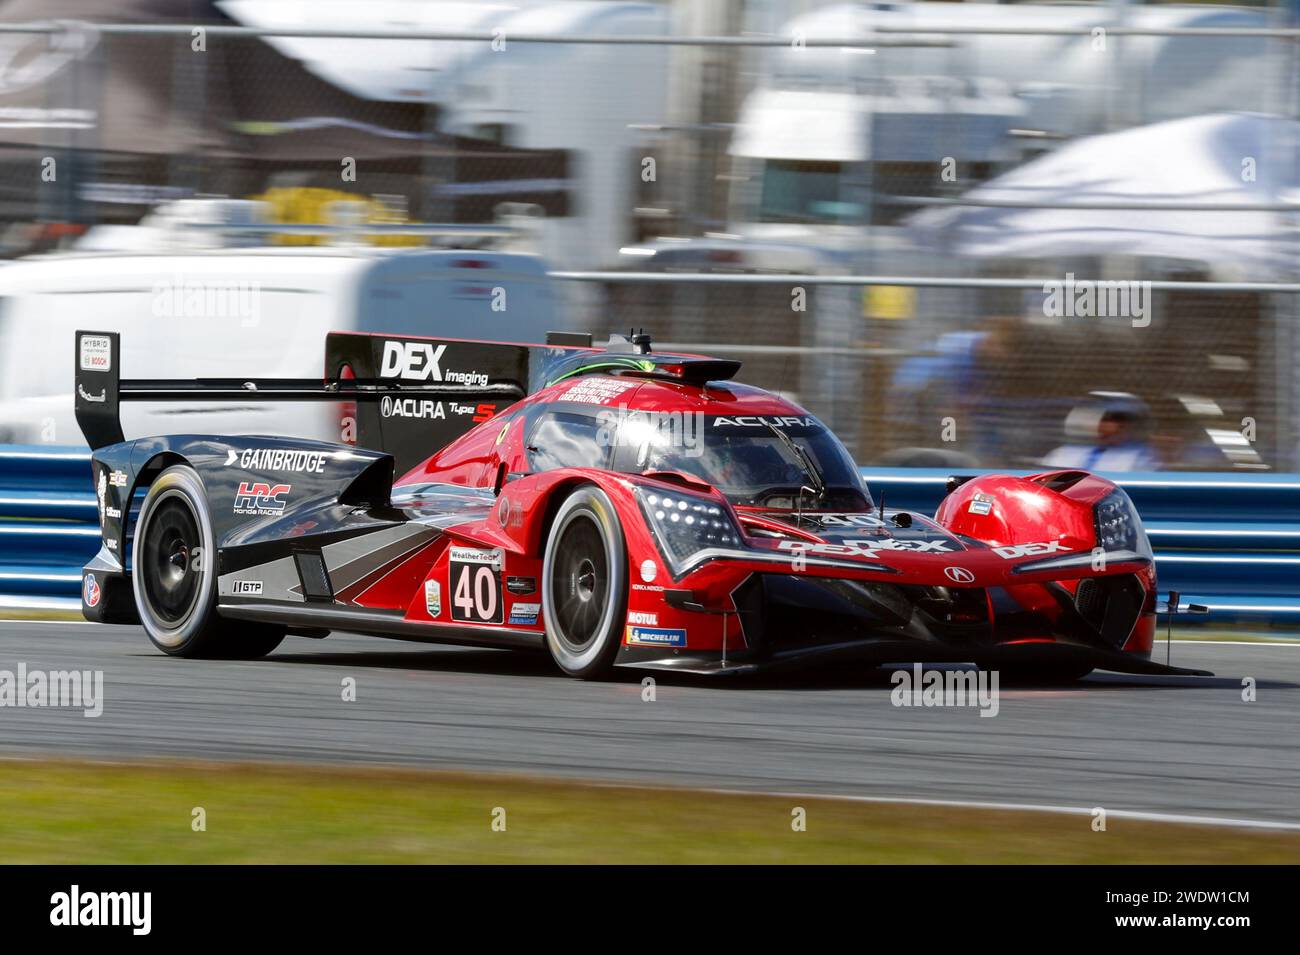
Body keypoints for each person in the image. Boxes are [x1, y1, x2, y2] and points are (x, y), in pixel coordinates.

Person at [1042, 392, 1160, 471]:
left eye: (1117, 420)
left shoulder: (1141, 459)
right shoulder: (1063, 454)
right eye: (1103, 419)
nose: (1105, 426)